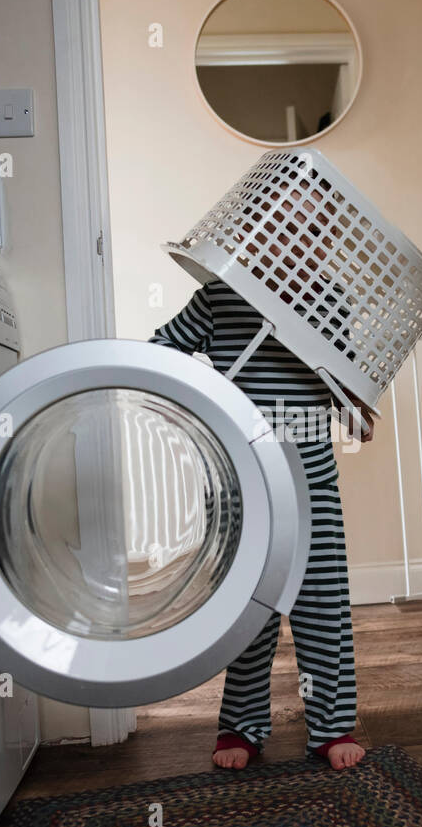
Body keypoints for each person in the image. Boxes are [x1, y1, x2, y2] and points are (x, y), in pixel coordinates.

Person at [149, 278, 372, 770]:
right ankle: (241, 726)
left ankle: (331, 726)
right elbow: (162, 350)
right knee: (250, 608)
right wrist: (206, 392)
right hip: (242, 477)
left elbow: (345, 383)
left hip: (313, 483)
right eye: (286, 229)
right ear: (255, 230)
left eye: (314, 235)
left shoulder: (330, 298)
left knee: (323, 604)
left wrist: (355, 410)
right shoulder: (219, 294)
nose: (298, 246)